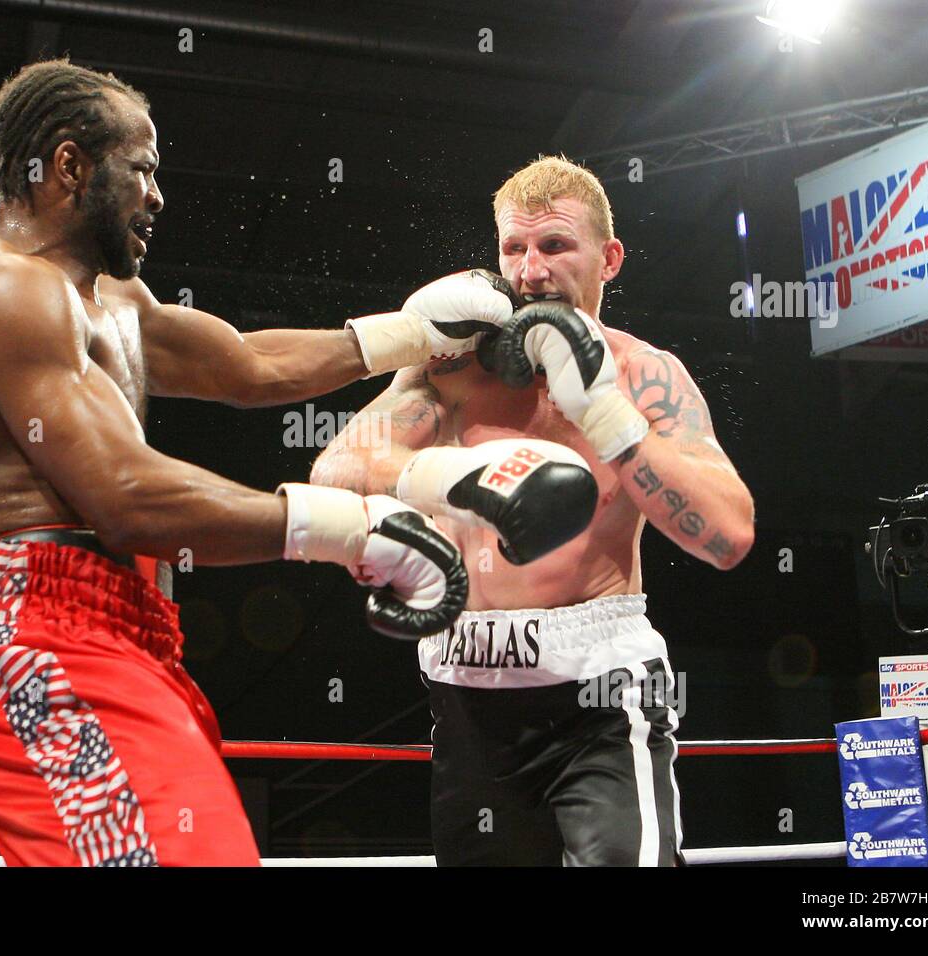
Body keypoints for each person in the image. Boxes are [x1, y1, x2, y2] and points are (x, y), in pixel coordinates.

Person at [0, 58, 548, 866]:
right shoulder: (2, 292)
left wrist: (414, 333)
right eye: (141, 170)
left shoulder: (112, 302)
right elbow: (125, 497)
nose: (157, 196)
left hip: (126, 626)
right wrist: (352, 528)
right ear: (69, 166)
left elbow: (249, 368)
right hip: (30, 629)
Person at [312, 155, 757, 866]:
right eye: (513, 249)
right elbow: (336, 473)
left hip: (602, 700)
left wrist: (604, 414)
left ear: (608, 259)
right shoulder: (453, 369)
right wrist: (462, 475)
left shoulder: (646, 375)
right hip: (467, 696)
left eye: (554, 246)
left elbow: (728, 537)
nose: (530, 270)